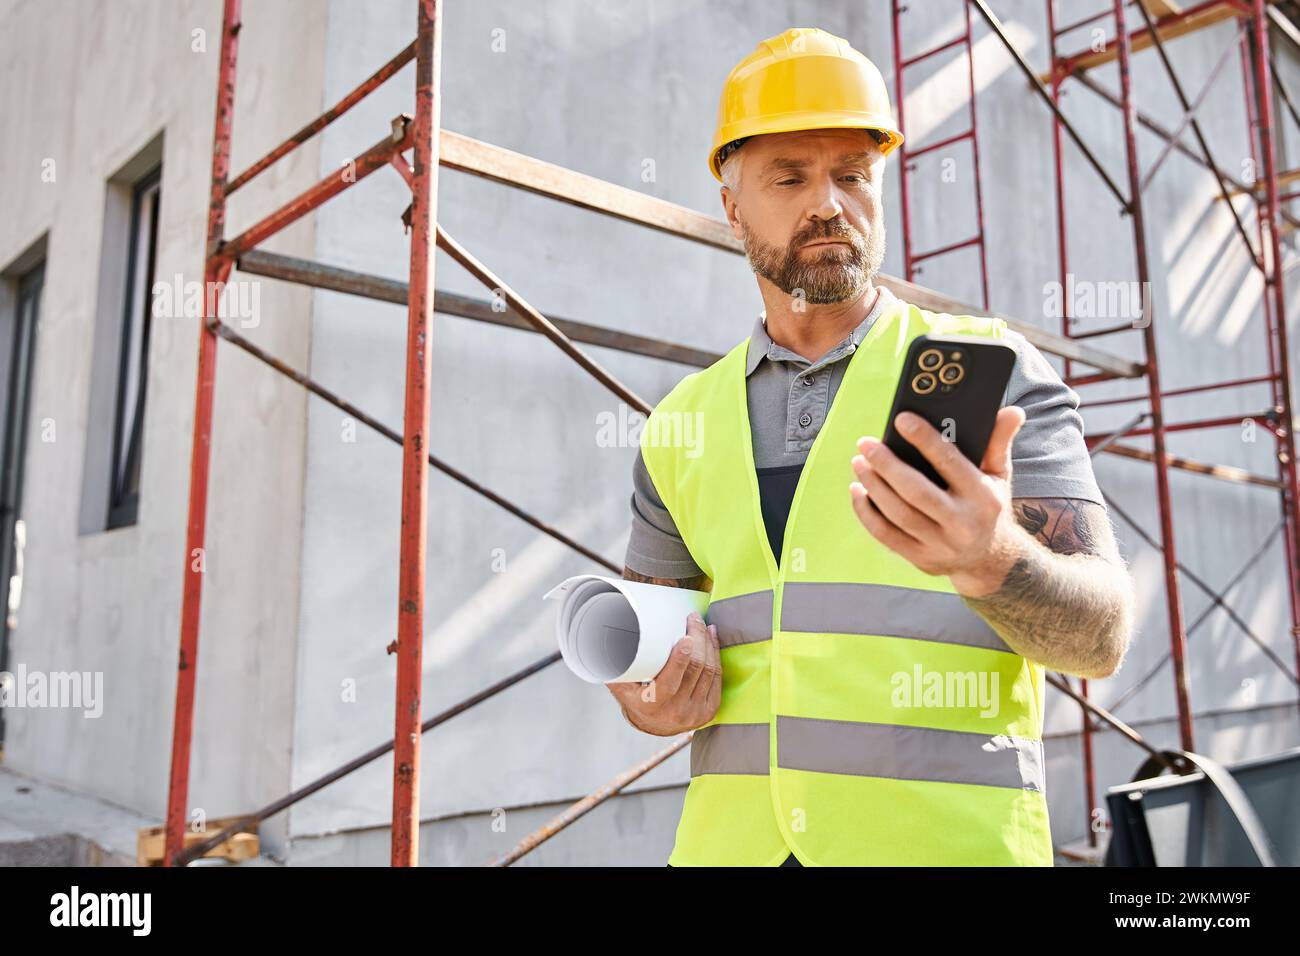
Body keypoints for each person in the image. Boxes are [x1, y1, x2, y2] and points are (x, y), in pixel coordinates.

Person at [609, 27, 1135, 867]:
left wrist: (992, 559)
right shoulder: (680, 421)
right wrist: (648, 702)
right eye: (791, 176)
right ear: (733, 206)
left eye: (853, 175)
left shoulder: (985, 373)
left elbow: (1098, 640)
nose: (829, 203)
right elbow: (641, 658)